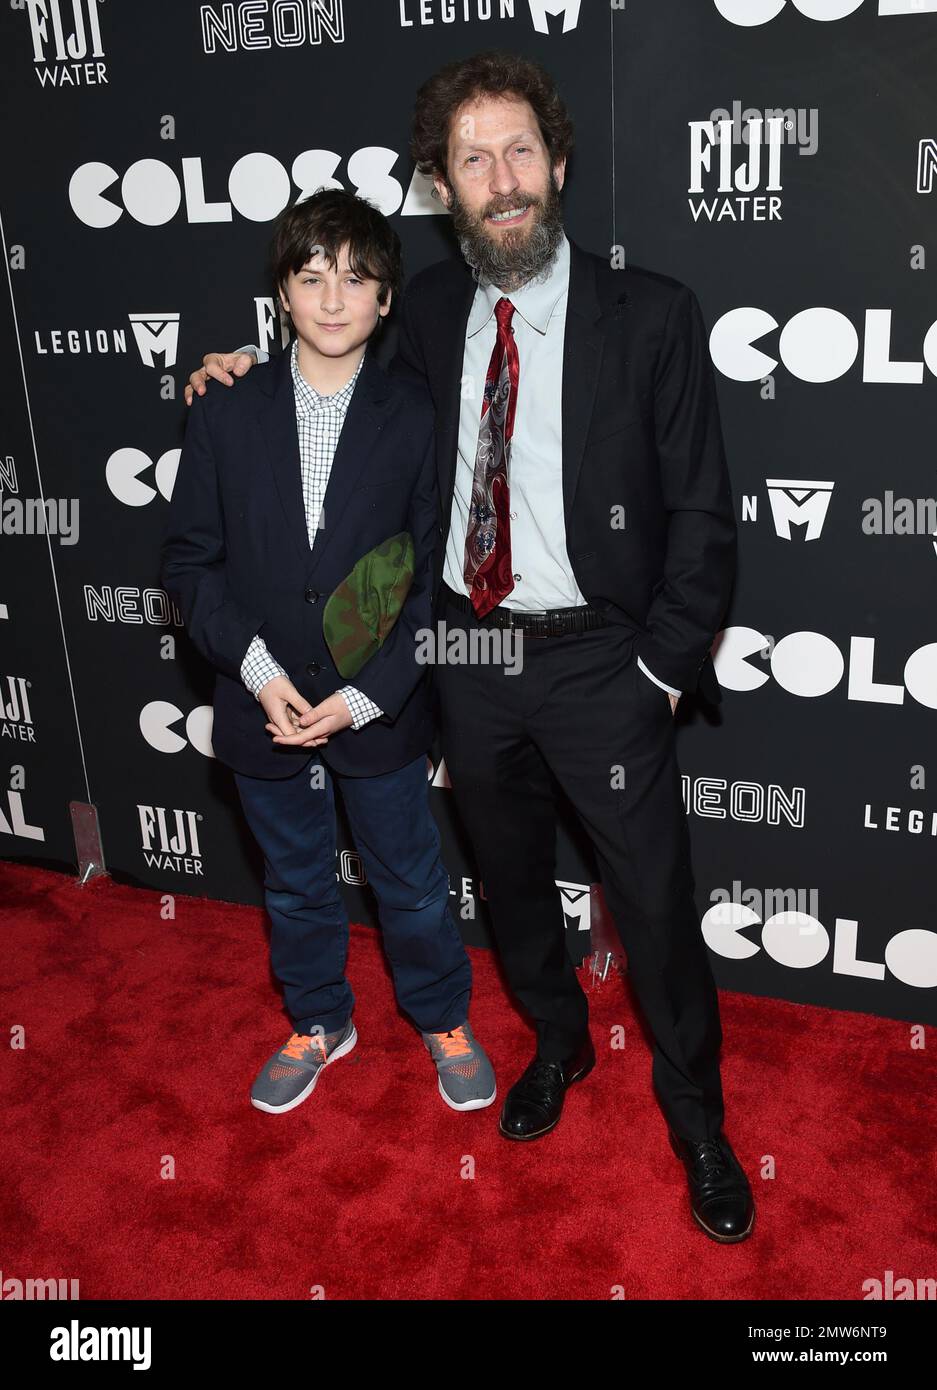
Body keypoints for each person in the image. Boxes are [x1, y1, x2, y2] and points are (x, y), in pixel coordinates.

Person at [184, 51, 754, 1243]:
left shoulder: (649, 314)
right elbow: (324, 374)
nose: (499, 180)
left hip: (606, 658)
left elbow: (704, 512)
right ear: (440, 186)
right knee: (506, 884)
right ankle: (556, 1045)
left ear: (557, 163)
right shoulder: (429, 310)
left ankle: (698, 1118)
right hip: (468, 652)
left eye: (517, 153)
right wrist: (229, 373)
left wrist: (659, 669)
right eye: (470, 159)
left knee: (650, 902)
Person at [162, 188, 495, 1118]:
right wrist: (259, 674)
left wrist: (368, 696)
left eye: (356, 279)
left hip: (377, 710)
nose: (334, 299)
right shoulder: (225, 409)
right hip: (257, 703)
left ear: (386, 297)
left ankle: (440, 1018)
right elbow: (190, 563)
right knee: (296, 883)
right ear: (281, 292)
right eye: (311, 278)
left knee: (412, 886)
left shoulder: (419, 416)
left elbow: (435, 582)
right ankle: (318, 1020)